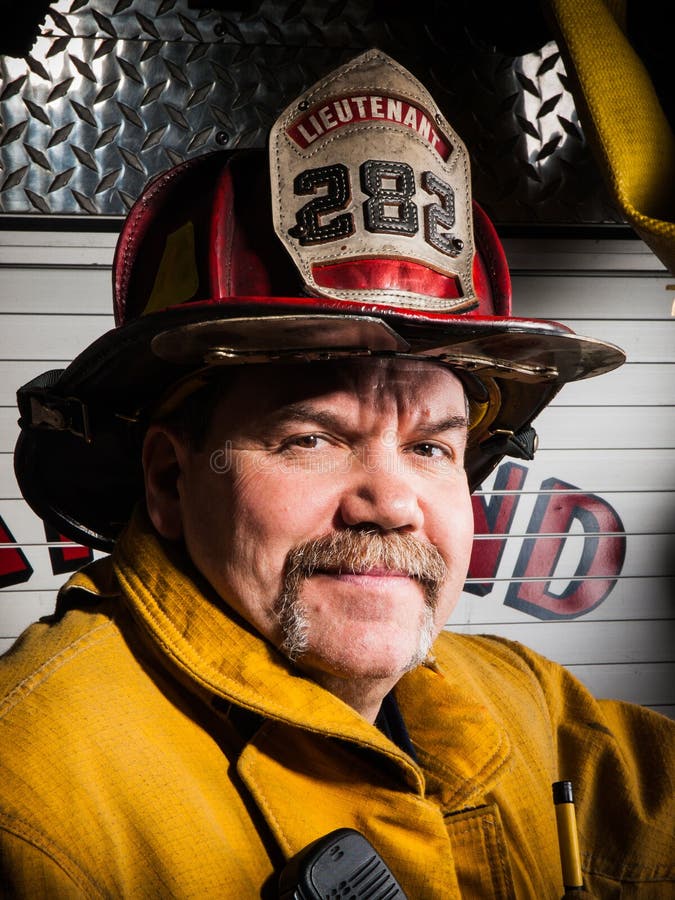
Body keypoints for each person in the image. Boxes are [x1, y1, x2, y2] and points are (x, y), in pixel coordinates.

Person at [1, 50, 673, 898]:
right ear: (170, 481)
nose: (391, 504)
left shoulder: (517, 699)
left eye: (431, 447)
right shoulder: (32, 795)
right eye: (311, 438)